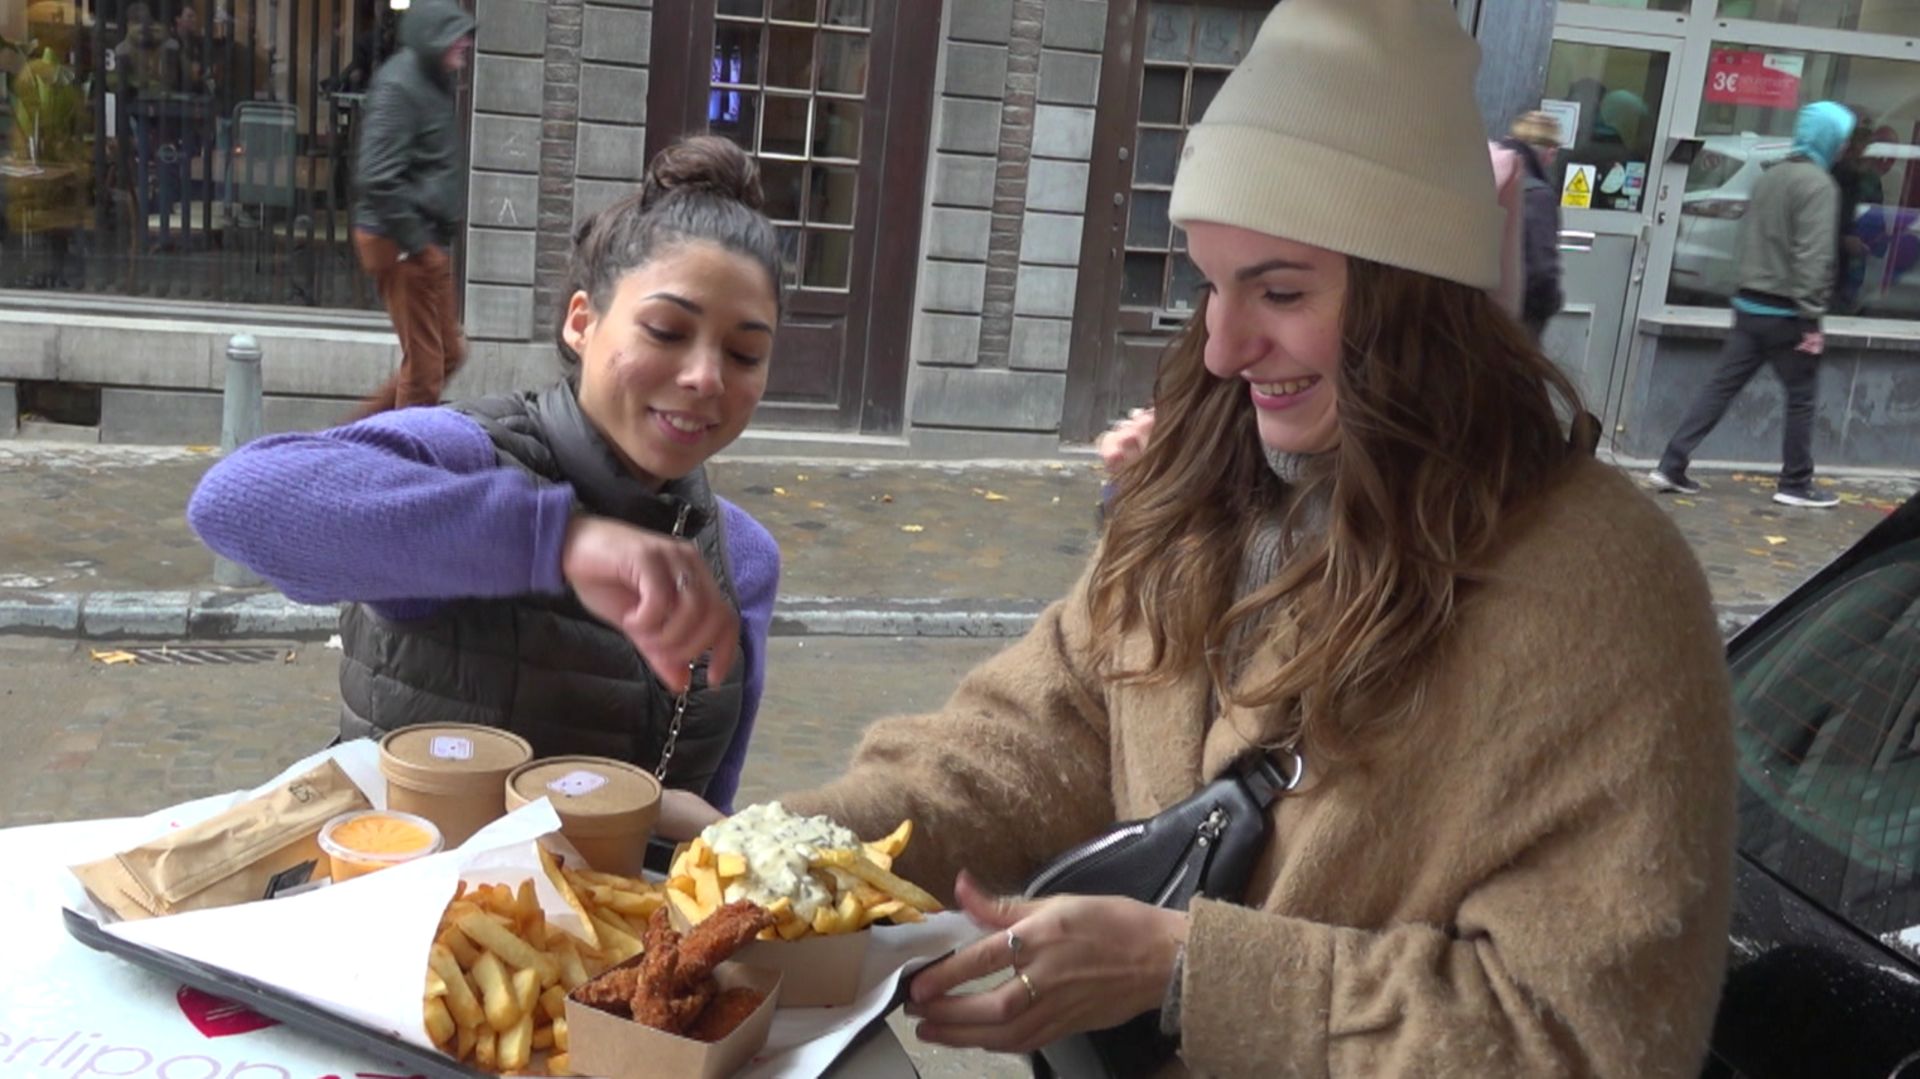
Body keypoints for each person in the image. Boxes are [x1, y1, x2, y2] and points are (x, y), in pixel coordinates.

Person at [669, 1, 1737, 1074]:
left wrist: (1185, 970)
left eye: (1278, 290)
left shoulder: (1606, 600)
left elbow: (1582, 1040)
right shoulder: (1213, 483)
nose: (1223, 348)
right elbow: (1041, 729)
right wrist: (785, 853)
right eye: (1209, 284)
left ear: (1421, 302)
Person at [188, 137, 785, 812]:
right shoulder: (466, 455)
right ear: (582, 323)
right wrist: (553, 540)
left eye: (744, 352)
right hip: (405, 904)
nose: (706, 376)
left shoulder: (743, 559)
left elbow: (706, 812)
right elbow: (236, 501)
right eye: (666, 331)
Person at [1649, 101, 1855, 509]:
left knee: (1720, 387)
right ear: (1830, 139)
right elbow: (1813, 255)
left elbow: (1748, 240)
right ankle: (1796, 482)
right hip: (1786, 314)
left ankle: (1671, 464)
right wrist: (1812, 320)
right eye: (1844, 138)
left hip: (1749, 306)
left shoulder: (1771, 176)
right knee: (1801, 395)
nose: (1846, 147)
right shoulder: (1818, 185)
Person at [348, 0, 474, 419]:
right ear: (432, 37)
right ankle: (400, 456)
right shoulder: (401, 85)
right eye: (457, 34)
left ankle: (357, 431)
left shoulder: (432, 80)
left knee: (447, 354)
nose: (466, 43)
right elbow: (377, 176)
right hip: (402, 241)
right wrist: (418, 244)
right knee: (426, 368)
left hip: (422, 239)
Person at [1493, 110, 1565, 341]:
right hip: (1517, 321)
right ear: (1551, 153)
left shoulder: (1492, 170)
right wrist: (1551, 303)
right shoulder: (1538, 194)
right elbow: (1542, 272)